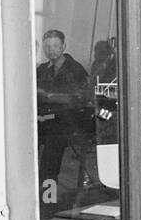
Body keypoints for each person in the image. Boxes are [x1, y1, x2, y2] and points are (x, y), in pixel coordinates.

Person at [36, 29, 96, 201]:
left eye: (55, 46)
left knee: (51, 152)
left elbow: (81, 98)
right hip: (45, 121)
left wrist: (49, 96)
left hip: (69, 123)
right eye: (47, 47)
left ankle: (48, 197)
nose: (51, 50)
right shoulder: (41, 70)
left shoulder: (76, 70)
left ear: (63, 47)